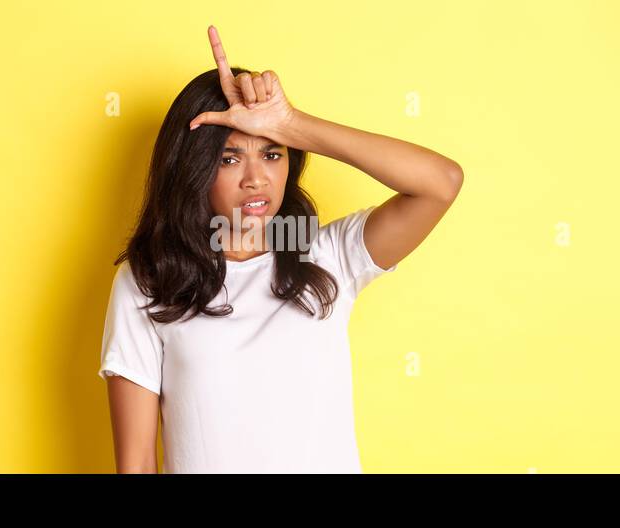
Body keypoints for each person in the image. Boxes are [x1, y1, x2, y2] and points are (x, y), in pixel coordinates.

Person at [97, 25, 463, 473]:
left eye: (272, 154)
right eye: (229, 158)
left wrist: (291, 124)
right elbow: (135, 465)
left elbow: (440, 183)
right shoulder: (149, 281)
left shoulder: (328, 257)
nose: (256, 178)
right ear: (193, 168)